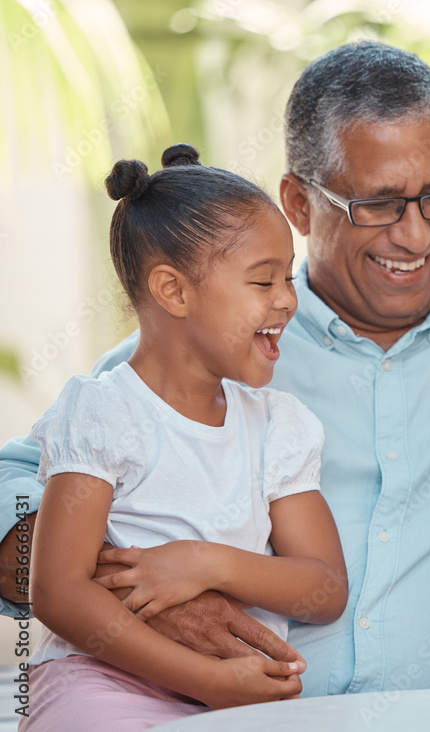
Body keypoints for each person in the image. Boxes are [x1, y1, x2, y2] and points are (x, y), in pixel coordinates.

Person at [0, 41, 430, 697]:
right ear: (299, 204)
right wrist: (126, 595)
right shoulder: (203, 349)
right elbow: (17, 489)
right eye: (380, 204)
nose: (416, 236)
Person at [21, 145, 348, 730]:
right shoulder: (103, 412)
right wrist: (204, 680)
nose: (287, 300)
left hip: (240, 690)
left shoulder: (277, 426)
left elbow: (323, 588)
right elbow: (58, 590)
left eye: (287, 278)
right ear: (174, 291)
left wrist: (205, 562)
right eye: (261, 280)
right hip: (103, 682)